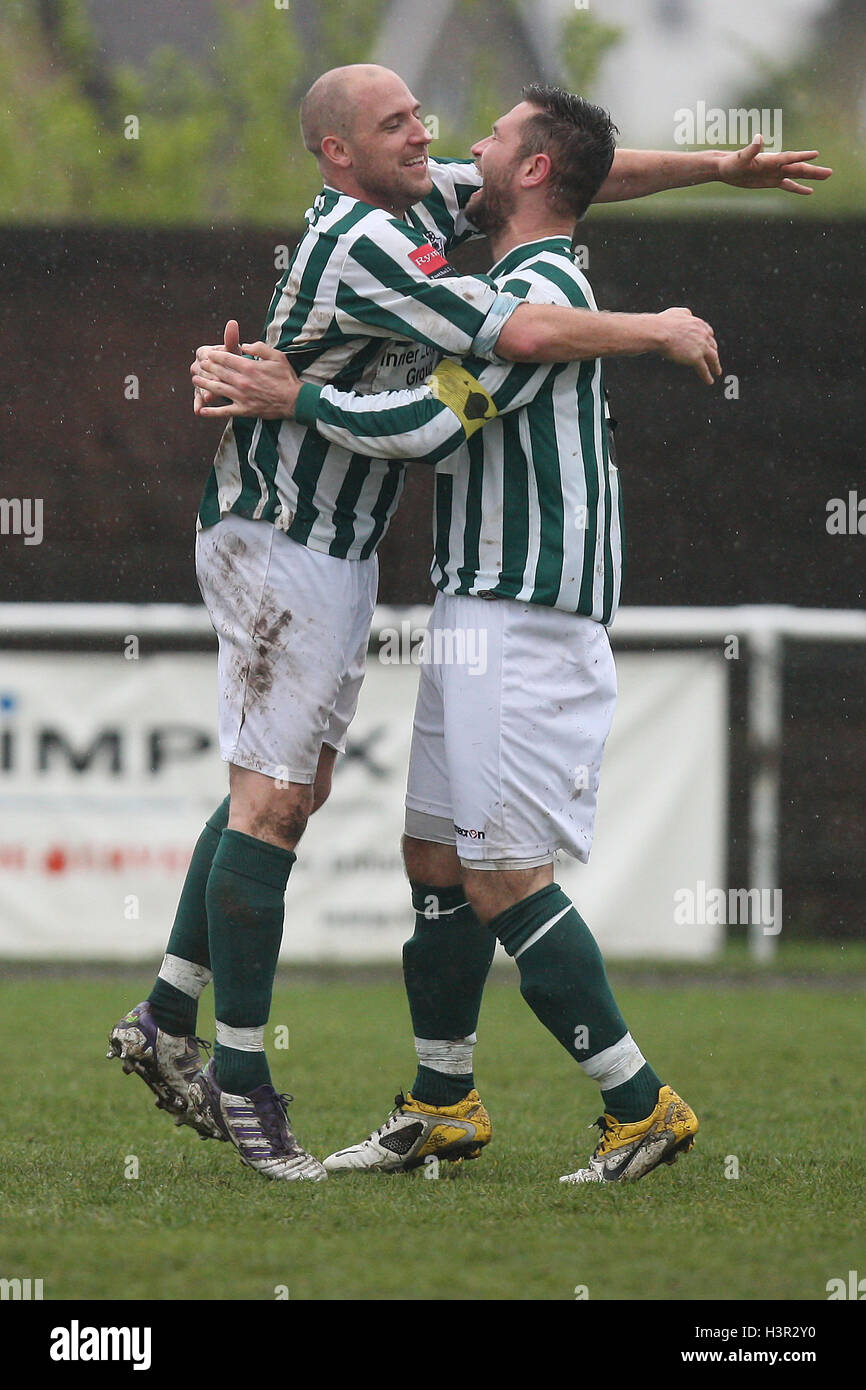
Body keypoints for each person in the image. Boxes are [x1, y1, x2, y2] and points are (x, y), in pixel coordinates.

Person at [108, 63, 828, 1184]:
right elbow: (507, 340)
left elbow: (573, 183)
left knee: (398, 837)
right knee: (289, 800)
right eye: (401, 123)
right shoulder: (387, 242)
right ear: (340, 151)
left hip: (480, 596)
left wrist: (714, 171)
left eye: (459, 132)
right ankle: (241, 1073)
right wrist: (656, 324)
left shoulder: (463, 217)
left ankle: (550, 1100)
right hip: (294, 533)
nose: (439, 140)